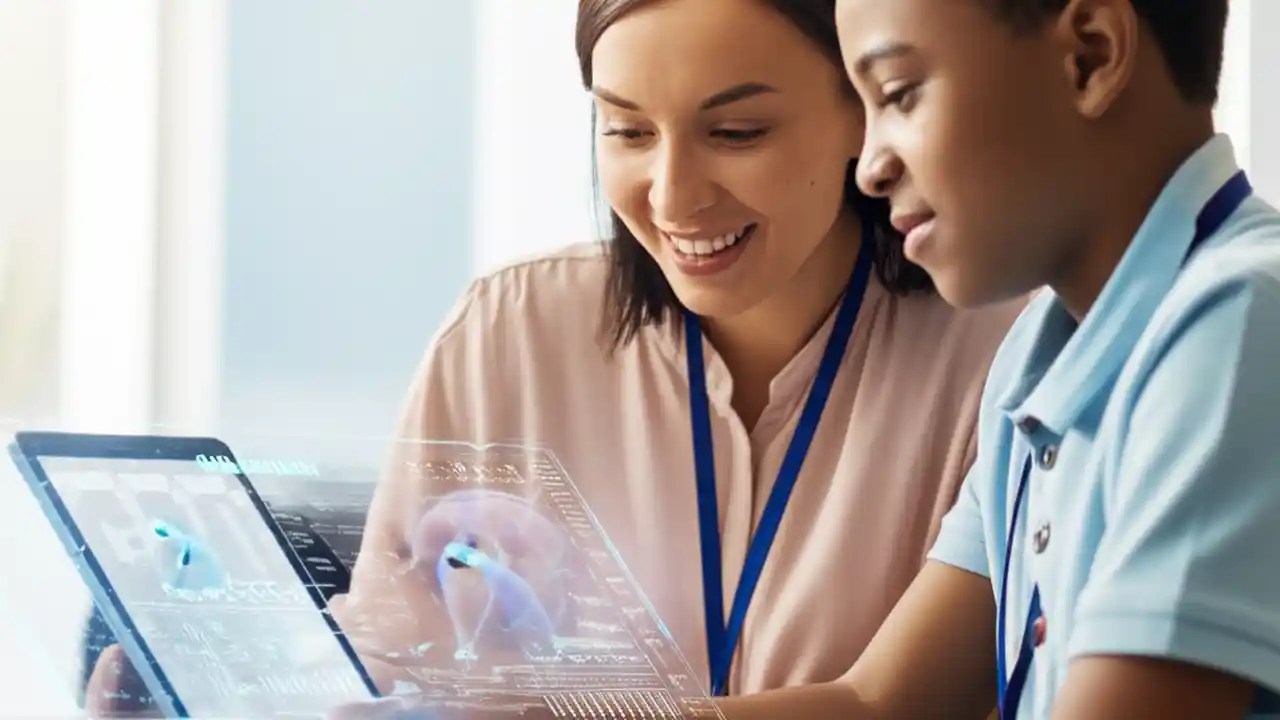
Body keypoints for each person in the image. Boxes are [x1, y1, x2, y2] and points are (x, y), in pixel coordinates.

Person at [83, 0, 1023, 715]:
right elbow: (390, 677)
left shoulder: (1007, 354)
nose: (672, 195)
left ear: (866, 111)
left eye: (737, 133)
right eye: (625, 130)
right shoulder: (508, 334)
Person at [713, 0, 1280, 718]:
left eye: (897, 95)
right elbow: (879, 701)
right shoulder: (1040, 355)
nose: (871, 167)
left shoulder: (1239, 324)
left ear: (1091, 57)